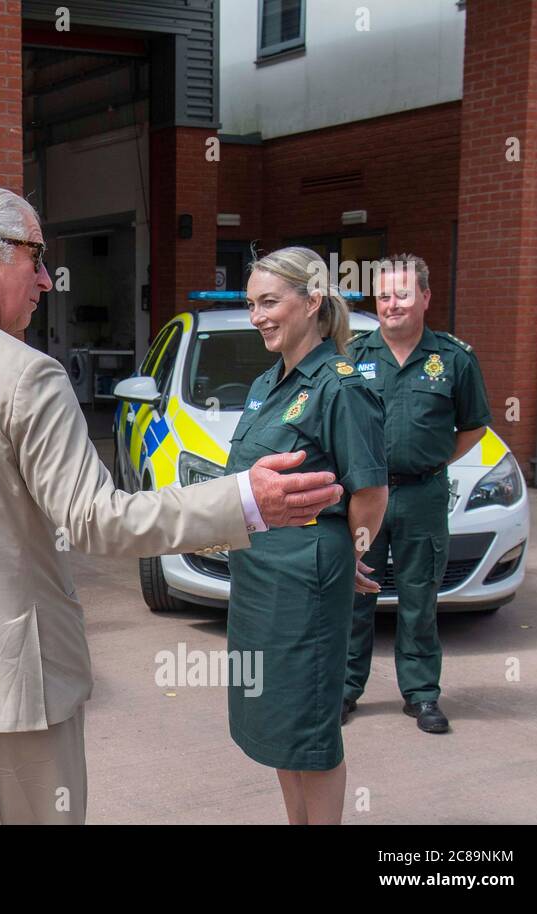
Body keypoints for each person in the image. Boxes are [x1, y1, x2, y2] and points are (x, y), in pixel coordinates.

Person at [0, 187, 346, 825]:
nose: (45, 282)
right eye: (35, 258)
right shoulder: (25, 374)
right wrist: (245, 499)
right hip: (19, 679)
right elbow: (97, 519)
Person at [225, 246, 389, 825]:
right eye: (251, 304)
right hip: (259, 579)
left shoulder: (340, 385)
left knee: (310, 728)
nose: (257, 316)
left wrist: (356, 553)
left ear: (312, 300)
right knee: (279, 724)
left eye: (269, 301)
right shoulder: (270, 381)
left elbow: (369, 489)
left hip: (306, 583)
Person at [342, 254, 492, 734]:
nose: (391, 304)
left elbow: (474, 426)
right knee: (354, 596)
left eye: (402, 294)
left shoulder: (453, 358)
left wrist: (436, 461)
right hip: (366, 498)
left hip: (422, 497)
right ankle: (345, 690)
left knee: (419, 599)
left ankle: (422, 694)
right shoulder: (352, 357)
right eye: (383, 296)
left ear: (425, 298)